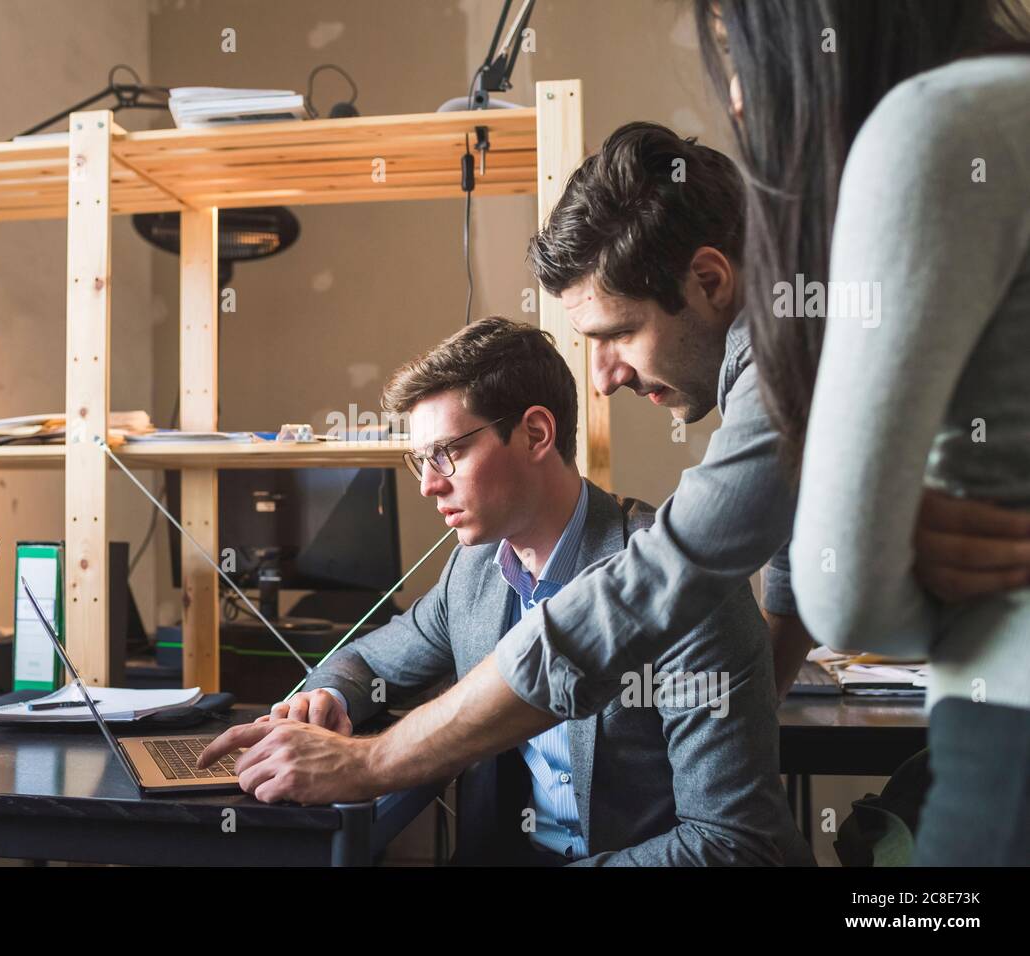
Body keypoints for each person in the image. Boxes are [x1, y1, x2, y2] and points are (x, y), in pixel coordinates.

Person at [198, 121, 1026, 814]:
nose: (605, 376)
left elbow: (661, 580)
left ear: (708, 280)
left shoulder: (781, 363)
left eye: (616, 335)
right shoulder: (792, 337)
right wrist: (760, 686)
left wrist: (373, 764)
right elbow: (784, 518)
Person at [251, 316, 810, 865]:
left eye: (446, 452)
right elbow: (366, 661)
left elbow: (732, 844)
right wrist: (326, 698)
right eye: (419, 460)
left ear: (536, 434)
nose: (427, 484)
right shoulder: (470, 573)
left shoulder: (680, 585)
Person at [695, 0, 1030, 865]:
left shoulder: (936, 126)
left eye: (740, 45)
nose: (737, 93)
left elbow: (842, 594)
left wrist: (888, 545)